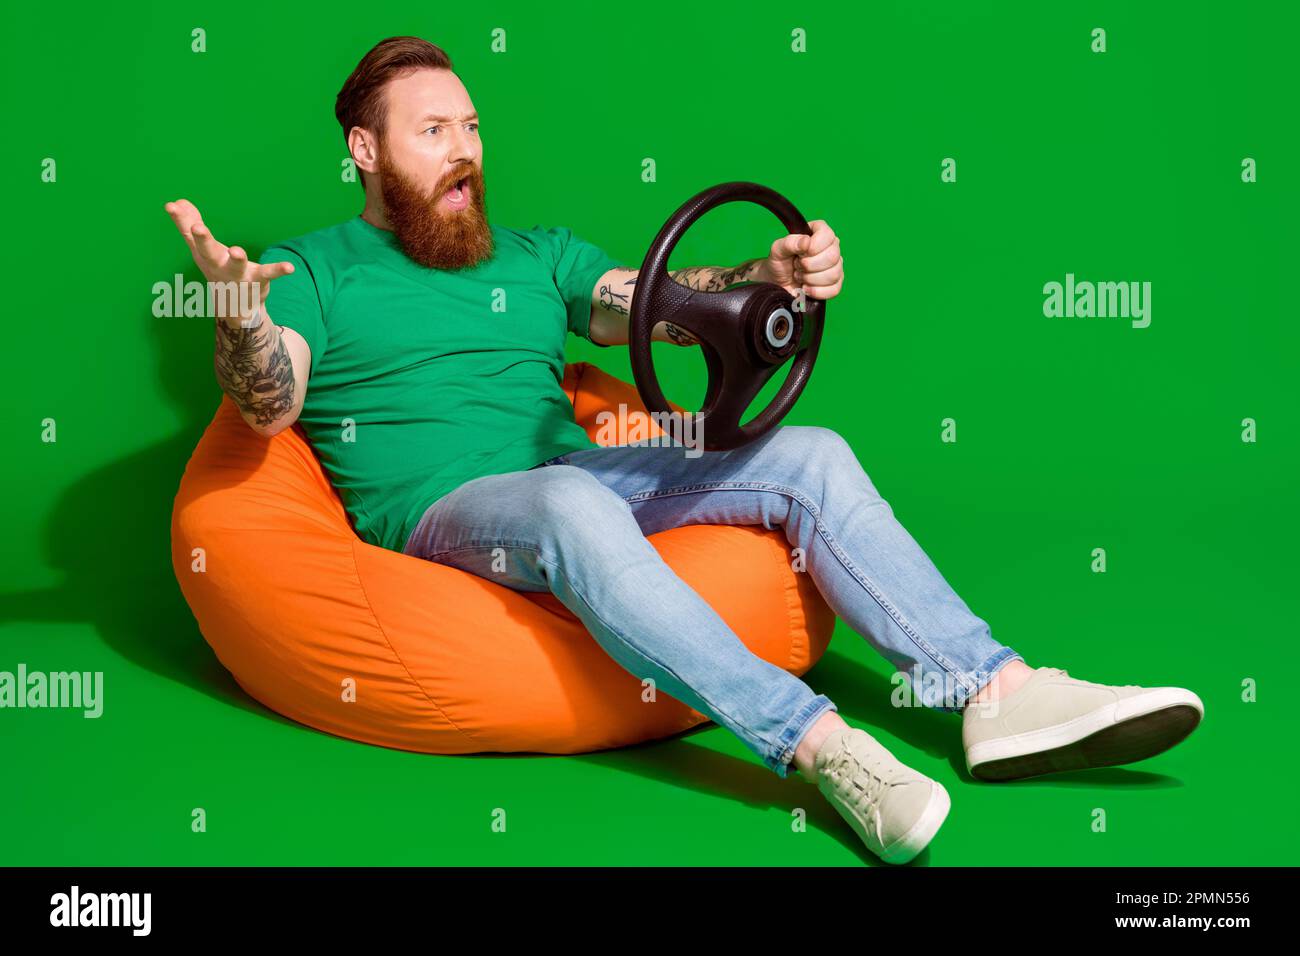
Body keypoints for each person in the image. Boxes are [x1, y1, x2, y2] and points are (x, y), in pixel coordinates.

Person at [164, 35, 1204, 865]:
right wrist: (239, 319)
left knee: (809, 453)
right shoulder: (314, 267)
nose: (465, 150)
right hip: (450, 510)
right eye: (432, 130)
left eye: (472, 127)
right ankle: (822, 746)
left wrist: (769, 269)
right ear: (364, 149)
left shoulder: (533, 257)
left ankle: (994, 691)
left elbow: (656, 308)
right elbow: (270, 402)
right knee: (574, 511)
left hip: (576, 472)